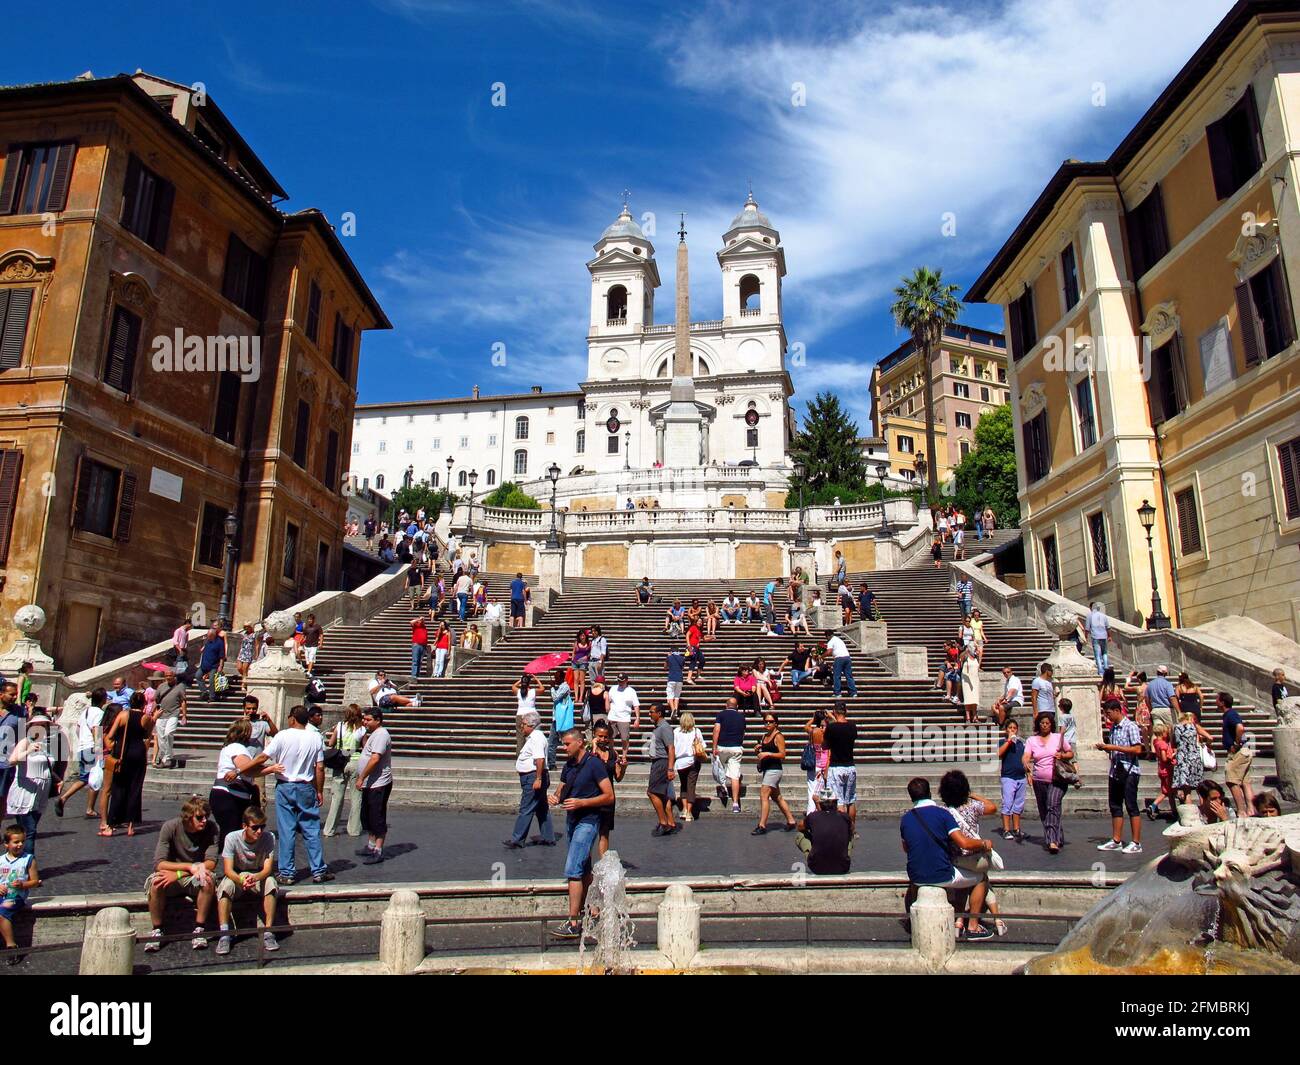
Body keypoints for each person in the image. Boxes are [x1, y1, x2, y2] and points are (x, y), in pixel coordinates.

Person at [899, 778, 994, 941]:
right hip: (942, 875)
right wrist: (984, 843)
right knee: (981, 879)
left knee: (915, 879)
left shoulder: (906, 819)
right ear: (929, 793)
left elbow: (906, 848)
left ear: (911, 798)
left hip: (916, 875)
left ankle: (913, 920)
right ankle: (973, 926)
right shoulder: (943, 814)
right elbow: (964, 843)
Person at [548, 728, 614, 939]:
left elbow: (609, 796)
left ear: (580, 743)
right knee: (584, 866)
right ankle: (593, 908)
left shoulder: (594, 764)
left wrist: (583, 802)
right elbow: (562, 788)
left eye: (567, 744)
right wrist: (555, 797)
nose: (564, 748)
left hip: (588, 820)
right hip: (572, 819)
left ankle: (573, 922)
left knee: (573, 868)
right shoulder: (569, 765)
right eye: (563, 744)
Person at [264, 705, 332, 885]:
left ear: (292, 718)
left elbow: (264, 757)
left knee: (287, 830)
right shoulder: (315, 737)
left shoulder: (282, 736)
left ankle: (287, 872)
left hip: (285, 785)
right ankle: (318, 870)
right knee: (311, 829)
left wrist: (245, 769)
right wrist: (319, 790)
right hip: (305, 786)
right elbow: (320, 767)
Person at [143, 796, 220, 952]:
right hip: (175, 874)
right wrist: (189, 867)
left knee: (207, 879)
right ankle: (157, 929)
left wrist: (180, 873)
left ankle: (199, 929)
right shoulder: (170, 827)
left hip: (192, 877)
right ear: (188, 817)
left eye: (206, 816)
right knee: (156, 882)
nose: (204, 820)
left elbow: (211, 863)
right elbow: (159, 863)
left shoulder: (212, 828)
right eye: (199, 817)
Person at [940, 769, 1007, 937]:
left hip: (956, 858)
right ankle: (975, 923)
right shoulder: (973, 806)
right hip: (974, 856)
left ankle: (959, 921)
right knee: (982, 879)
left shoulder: (944, 811)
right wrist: (974, 795)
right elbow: (992, 807)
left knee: (965, 883)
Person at [215, 806, 280, 956]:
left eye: (262, 827)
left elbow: (267, 869)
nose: (259, 831)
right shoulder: (231, 837)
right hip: (238, 876)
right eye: (255, 827)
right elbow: (228, 870)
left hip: (258, 875)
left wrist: (255, 878)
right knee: (225, 887)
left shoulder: (269, 837)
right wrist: (241, 880)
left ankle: (268, 931)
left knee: (271, 883)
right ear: (244, 826)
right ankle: (224, 933)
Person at [209, 718, 278, 847]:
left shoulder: (229, 747)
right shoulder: (238, 748)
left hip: (225, 795)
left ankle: (229, 862)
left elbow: (247, 770)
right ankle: (229, 864)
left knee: (229, 834)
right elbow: (247, 770)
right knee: (231, 835)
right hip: (230, 796)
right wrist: (271, 769)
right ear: (245, 733)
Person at [1095, 699, 1143, 853]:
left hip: (1129, 771)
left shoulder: (1131, 726)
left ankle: (1136, 842)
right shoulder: (1113, 728)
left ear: (1117, 710)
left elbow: (1137, 749)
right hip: (1115, 770)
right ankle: (1116, 840)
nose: (1107, 717)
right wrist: (1106, 749)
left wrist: (1113, 747)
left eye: (1108, 713)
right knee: (1115, 806)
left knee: (1131, 806)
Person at [6, 710, 55, 857]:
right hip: (26, 791)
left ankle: (16, 862)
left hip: (41, 792)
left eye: (44, 726)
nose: (40, 728)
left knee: (24, 832)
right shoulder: (25, 741)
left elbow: (46, 766)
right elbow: (12, 760)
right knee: (30, 830)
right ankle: (28, 868)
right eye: (37, 725)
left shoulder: (47, 744)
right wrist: (27, 751)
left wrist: (57, 779)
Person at [103, 692, 153, 837]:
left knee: (118, 788)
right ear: (143, 703)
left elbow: (110, 735)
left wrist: (113, 747)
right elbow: (147, 736)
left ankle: (111, 826)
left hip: (122, 754)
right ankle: (131, 826)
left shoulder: (123, 715)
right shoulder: (146, 718)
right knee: (135, 789)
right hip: (138, 754)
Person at [505, 710, 554, 849]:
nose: (522, 727)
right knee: (541, 808)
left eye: (524, 724)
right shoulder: (535, 737)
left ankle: (517, 839)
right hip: (533, 776)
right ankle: (548, 837)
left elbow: (539, 759)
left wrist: (538, 778)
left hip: (533, 776)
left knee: (526, 808)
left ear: (531, 725)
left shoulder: (537, 738)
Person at [1024, 712, 1071, 854]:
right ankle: (1058, 836)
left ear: (1051, 725)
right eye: (1042, 723)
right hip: (1039, 780)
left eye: (1047, 723)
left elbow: (1070, 753)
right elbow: (1026, 756)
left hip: (1057, 779)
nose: (1044, 725)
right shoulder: (1032, 740)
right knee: (1045, 810)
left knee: (1052, 805)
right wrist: (1026, 764)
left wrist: (1062, 755)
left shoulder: (1058, 738)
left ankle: (1052, 840)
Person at [55, 689, 106, 819]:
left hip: (82, 747)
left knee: (85, 777)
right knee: (94, 778)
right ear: (103, 700)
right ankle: (85, 807)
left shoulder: (85, 712)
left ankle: (68, 800)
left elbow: (78, 729)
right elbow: (96, 730)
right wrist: (99, 749)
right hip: (91, 748)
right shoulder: (99, 713)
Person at [354, 708, 393, 865]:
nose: (365, 722)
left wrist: (362, 776)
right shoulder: (373, 734)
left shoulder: (382, 735)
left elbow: (375, 758)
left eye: (368, 719)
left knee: (377, 816)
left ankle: (378, 849)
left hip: (379, 783)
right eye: (364, 719)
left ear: (378, 720)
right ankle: (371, 846)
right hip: (371, 783)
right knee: (368, 815)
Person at [325, 703, 366, 837]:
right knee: (356, 797)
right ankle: (354, 829)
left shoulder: (340, 726)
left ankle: (329, 829)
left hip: (340, 761)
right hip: (355, 761)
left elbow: (330, 743)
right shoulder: (361, 729)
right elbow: (365, 747)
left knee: (337, 797)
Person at [752, 712, 797, 834]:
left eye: (770, 721)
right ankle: (791, 821)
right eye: (766, 721)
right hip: (767, 769)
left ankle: (762, 825)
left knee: (764, 794)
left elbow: (783, 754)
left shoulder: (778, 736)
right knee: (777, 797)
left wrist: (768, 754)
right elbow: (763, 753)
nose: (767, 723)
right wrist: (759, 750)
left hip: (774, 769)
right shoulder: (764, 736)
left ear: (776, 723)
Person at [0, 825, 39, 961]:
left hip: (16, 896)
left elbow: (35, 881)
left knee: (3, 911)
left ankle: (11, 946)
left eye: (22, 841)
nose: (20, 845)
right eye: (16, 842)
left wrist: (23, 884)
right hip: (1, 894)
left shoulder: (28, 859)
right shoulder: (1, 860)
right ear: (6, 844)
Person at [588, 722, 626, 857]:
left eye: (606, 737)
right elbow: (588, 767)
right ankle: (586, 863)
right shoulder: (589, 752)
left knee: (604, 833)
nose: (603, 740)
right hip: (592, 797)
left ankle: (602, 862)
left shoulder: (613, 753)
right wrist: (593, 747)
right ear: (594, 736)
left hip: (608, 798)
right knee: (589, 832)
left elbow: (618, 777)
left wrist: (624, 767)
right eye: (600, 736)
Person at [796, 789, 853, 875]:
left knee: (800, 835)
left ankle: (812, 854)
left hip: (817, 868)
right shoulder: (844, 817)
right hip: (843, 867)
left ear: (820, 804)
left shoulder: (813, 817)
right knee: (850, 834)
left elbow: (800, 827)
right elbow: (852, 828)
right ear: (836, 803)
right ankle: (844, 856)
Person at [823, 701, 858, 832]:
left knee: (839, 801)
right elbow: (844, 725)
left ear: (834, 711)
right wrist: (833, 718)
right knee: (851, 800)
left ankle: (842, 830)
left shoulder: (831, 728)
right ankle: (852, 829)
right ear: (846, 711)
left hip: (836, 766)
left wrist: (830, 721)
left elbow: (825, 746)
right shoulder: (852, 727)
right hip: (850, 766)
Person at [1220, 691, 1255, 818]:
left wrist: (1236, 743)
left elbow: (1240, 728)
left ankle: (1241, 811)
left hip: (1238, 752)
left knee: (1232, 781)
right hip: (1244, 750)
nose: (1215, 701)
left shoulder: (1230, 714)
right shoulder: (1229, 714)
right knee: (1245, 782)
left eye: (1217, 699)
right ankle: (1251, 809)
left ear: (1222, 702)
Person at [645, 704, 679, 836]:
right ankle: (670, 822)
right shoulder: (659, 728)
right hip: (658, 762)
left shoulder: (664, 728)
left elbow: (671, 748)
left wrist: (670, 768)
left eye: (651, 712)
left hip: (662, 762)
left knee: (652, 792)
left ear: (659, 713)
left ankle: (663, 821)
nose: (649, 714)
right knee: (661, 795)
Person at [712, 697, 747, 813]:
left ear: (726, 705)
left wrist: (714, 747)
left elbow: (716, 730)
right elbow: (743, 733)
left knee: (719, 769)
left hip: (722, 746)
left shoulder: (721, 715)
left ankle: (723, 787)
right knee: (735, 776)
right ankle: (736, 803)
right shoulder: (741, 717)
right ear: (736, 706)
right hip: (736, 747)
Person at [1171, 709, 1213, 805]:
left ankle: (1189, 813)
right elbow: (1210, 738)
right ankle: (1203, 810)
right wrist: (1207, 746)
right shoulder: (1195, 726)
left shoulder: (1176, 727)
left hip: (1182, 759)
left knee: (1187, 790)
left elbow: (1173, 744)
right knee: (1200, 788)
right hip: (1194, 758)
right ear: (1192, 719)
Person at [151, 668, 186, 770]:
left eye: (170, 675)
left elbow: (183, 701)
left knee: (168, 733)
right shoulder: (161, 686)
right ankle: (165, 758)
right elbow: (155, 700)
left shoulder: (180, 687)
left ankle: (168, 757)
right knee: (161, 737)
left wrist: (184, 715)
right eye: (166, 676)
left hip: (173, 713)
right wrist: (152, 713)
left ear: (174, 676)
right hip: (161, 714)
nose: (168, 677)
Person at [997, 718, 1026, 840]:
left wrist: (1029, 774)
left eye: (1014, 728)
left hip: (1021, 776)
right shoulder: (1002, 741)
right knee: (1007, 803)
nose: (1012, 730)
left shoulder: (1021, 743)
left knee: (1019, 804)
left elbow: (1025, 759)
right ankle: (1006, 829)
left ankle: (1017, 828)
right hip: (1008, 777)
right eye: (1010, 728)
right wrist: (1009, 741)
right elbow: (999, 754)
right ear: (1006, 730)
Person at [672, 712, 703, 821]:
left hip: (680, 762)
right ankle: (689, 812)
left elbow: (673, 746)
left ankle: (684, 809)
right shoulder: (696, 731)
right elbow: (702, 745)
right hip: (693, 760)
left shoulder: (676, 731)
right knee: (691, 786)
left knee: (683, 785)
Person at [606, 674, 640, 764]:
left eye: (622, 680)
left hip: (624, 718)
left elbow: (636, 705)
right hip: (612, 716)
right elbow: (608, 700)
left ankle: (624, 756)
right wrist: (607, 711)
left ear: (626, 680)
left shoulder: (631, 691)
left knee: (625, 738)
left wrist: (637, 718)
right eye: (619, 680)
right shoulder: (613, 688)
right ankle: (612, 754)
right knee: (610, 737)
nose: (620, 682)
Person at [1146, 720, 1176, 821]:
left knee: (1165, 791)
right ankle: (1174, 811)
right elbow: (1164, 758)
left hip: (1161, 769)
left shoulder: (1156, 742)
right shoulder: (1163, 744)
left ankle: (1153, 806)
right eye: (1166, 732)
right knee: (1170, 792)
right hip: (1167, 769)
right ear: (1163, 733)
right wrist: (1173, 754)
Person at [803, 709, 831, 812]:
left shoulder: (813, 732)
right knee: (825, 791)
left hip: (812, 764)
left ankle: (811, 812)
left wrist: (813, 719)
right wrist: (830, 716)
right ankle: (826, 811)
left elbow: (806, 727)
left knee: (811, 791)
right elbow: (829, 755)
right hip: (823, 766)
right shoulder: (827, 734)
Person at [548, 669, 575, 772]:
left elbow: (555, 697)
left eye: (557, 678)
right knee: (551, 742)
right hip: (556, 719)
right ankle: (551, 763)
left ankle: (572, 760)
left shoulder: (565, 687)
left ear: (562, 678)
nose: (555, 679)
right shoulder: (558, 687)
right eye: (554, 677)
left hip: (563, 719)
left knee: (568, 741)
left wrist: (551, 688)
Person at [1146, 666, 1177, 736]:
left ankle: (1154, 746)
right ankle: (1169, 745)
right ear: (1166, 673)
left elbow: (1146, 699)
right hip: (1166, 709)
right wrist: (1178, 710)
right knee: (1170, 731)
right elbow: (1172, 698)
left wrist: (1150, 709)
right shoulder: (1167, 684)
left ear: (1157, 672)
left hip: (1155, 710)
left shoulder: (1150, 684)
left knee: (1157, 732)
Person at [199, 626, 228, 701]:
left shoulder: (219, 643)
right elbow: (203, 649)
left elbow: (222, 655)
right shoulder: (207, 641)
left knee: (212, 680)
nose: (207, 637)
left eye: (209, 635)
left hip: (214, 665)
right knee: (198, 676)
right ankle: (204, 692)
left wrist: (221, 666)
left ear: (213, 635)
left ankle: (212, 696)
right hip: (204, 664)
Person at [826, 631, 857, 698]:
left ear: (828, 636)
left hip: (839, 658)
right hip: (847, 658)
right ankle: (853, 693)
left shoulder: (831, 641)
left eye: (826, 637)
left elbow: (829, 652)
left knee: (837, 676)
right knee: (849, 676)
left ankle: (837, 693)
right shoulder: (839, 640)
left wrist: (821, 656)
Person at [960, 647, 981, 724]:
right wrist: (966, 651)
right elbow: (960, 658)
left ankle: (975, 717)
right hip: (966, 680)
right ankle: (968, 717)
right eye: (974, 649)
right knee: (968, 698)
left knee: (974, 698)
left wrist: (978, 652)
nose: (975, 650)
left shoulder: (976, 658)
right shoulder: (965, 657)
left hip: (975, 680)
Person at [1088, 602, 1110, 674]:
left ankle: (1100, 670)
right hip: (1104, 636)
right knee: (1104, 653)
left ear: (1091, 608)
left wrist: (1085, 636)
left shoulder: (1090, 616)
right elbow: (1108, 627)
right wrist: (1109, 636)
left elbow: (1087, 628)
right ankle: (1106, 666)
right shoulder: (1103, 615)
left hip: (1095, 637)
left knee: (1097, 655)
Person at [235, 624, 258, 690]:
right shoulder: (244, 634)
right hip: (242, 652)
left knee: (245, 669)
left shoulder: (254, 635)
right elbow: (242, 644)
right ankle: (246, 678)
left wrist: (256, 654)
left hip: (248, 652)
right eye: (245, 627)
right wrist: (239, 652)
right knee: (239, 668)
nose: (246, 628)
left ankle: (243, 684)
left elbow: (256, 645)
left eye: (248, 627)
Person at [571, 631, 591, 705]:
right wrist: (572, 660)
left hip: (583, 662)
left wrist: (587, 657)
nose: (582, 637)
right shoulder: (576, 643)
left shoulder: (589, 644)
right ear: (579, 636)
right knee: (576, 680)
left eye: (583, 635)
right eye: (581, 635)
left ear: (585, 636)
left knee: (582, 680)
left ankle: (580, 698)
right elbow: (573, 652)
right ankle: (576, 697)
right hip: (575, 662)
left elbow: (590, 652)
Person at [665, 647, 685, 715]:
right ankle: (675, 710)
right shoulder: (682, 658)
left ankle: (673, 710)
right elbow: (682, 667)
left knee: (670, 695)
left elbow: (665, 667)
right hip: (680, 678)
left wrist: (668, 657)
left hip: (671, 678)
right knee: (677, 696)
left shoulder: (669, 657)